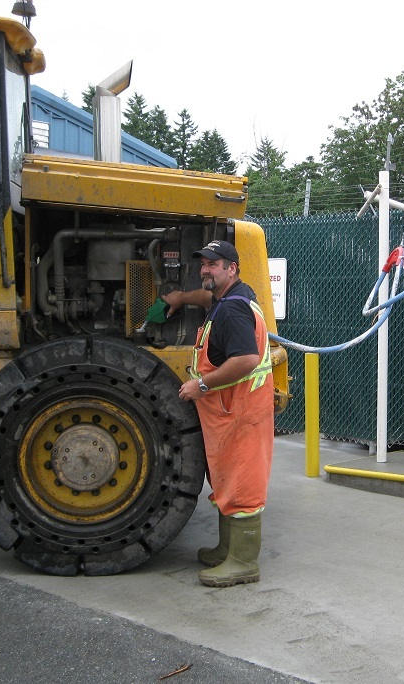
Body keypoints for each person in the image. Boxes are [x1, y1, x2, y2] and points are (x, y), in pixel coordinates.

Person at [161, 239, 274, 587]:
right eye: (204, 263)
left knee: (242, 483)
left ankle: (243, 562)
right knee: (227, 479)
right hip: (230, 412)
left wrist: (202, 386)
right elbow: (207, 296)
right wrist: (180, 298)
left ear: (231, 268)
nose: (206, 269)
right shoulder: (228, 298)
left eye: (214, 264)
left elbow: (246, 360)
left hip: (240, 410)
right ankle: (227, 548)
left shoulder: (234, 309)